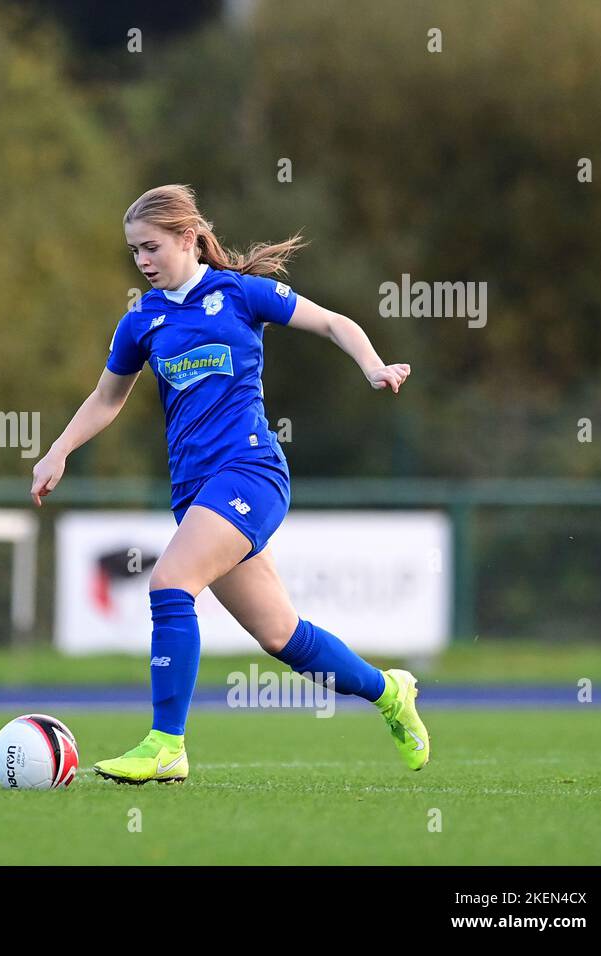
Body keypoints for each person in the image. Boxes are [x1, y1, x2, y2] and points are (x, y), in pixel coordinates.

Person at [30, 184, 430, 784]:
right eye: (134, 251)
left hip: (251, 472)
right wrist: (58, 449)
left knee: (169, 582)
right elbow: (107, 398)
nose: (142, 262)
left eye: (152, 247)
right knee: (281, 637)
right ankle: (389, 692)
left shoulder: (237, 294)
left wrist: (373, 366)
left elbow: (331, 323)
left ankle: (167, 745)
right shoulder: (142, 319)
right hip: (195, 491)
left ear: (188, 238)